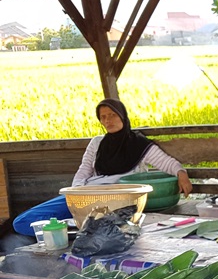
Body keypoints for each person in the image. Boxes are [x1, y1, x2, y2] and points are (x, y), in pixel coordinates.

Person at [13, 98, 192, 235]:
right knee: (22, 222)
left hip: (118, 199)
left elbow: (166, 162)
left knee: (97, 222)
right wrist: (76, 195)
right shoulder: (97, 143)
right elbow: (83, 171)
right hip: (86, 196)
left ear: (122, 116)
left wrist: (181, 173)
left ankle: (82, 230)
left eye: (112, 115)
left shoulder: (138, 144)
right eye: (103, 117)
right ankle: (78, 231)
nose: (108, 120)